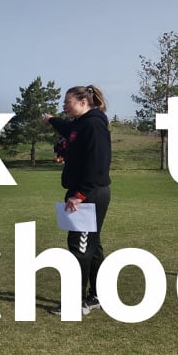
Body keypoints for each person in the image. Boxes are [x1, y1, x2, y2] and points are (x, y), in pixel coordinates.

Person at [44, 84, 112, 316]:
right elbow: (66, 128)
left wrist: (79, 195)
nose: (64, 106)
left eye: (68, 102)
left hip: (88, 194)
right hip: (84, 192)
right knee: (91, 246)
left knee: (79, 248)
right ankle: (96, 296)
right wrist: (52, 119)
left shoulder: (93, 125)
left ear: (83, 102)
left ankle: (75, 303)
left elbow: (98, 163)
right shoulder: (80, 124)